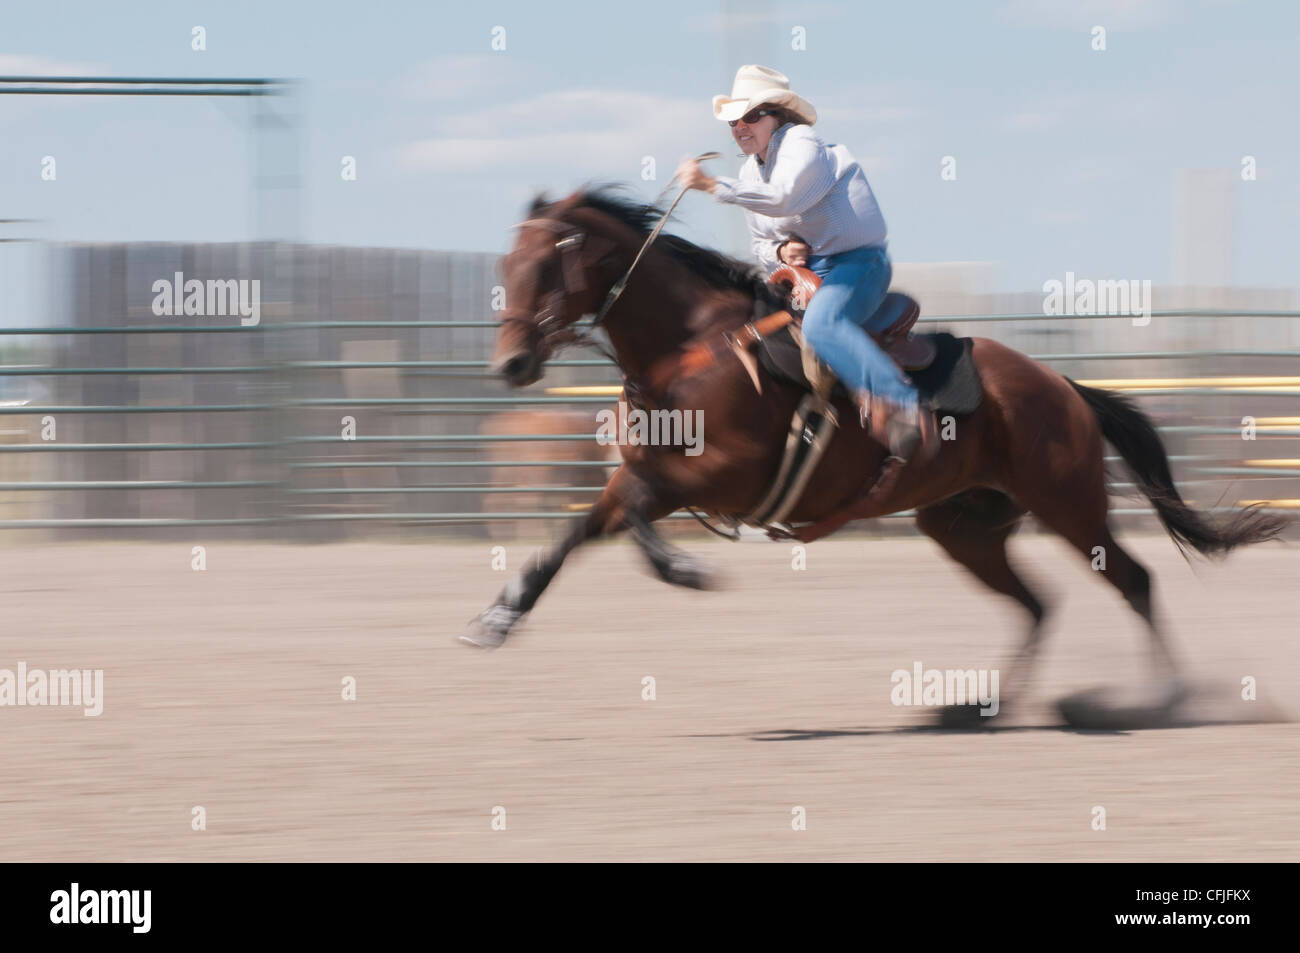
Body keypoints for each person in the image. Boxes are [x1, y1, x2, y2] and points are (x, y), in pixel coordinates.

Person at [675, 64, 939, 474]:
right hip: (805, 278)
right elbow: (761, 243)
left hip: (857, 265)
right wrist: (781, 253)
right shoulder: (750, 172)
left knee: (820, 326)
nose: (739, 127)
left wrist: (712, 186)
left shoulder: (802, 143)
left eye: (749, 116)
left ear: (776, 116)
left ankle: (901, 404)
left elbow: (784, 199)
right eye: (733, 121)